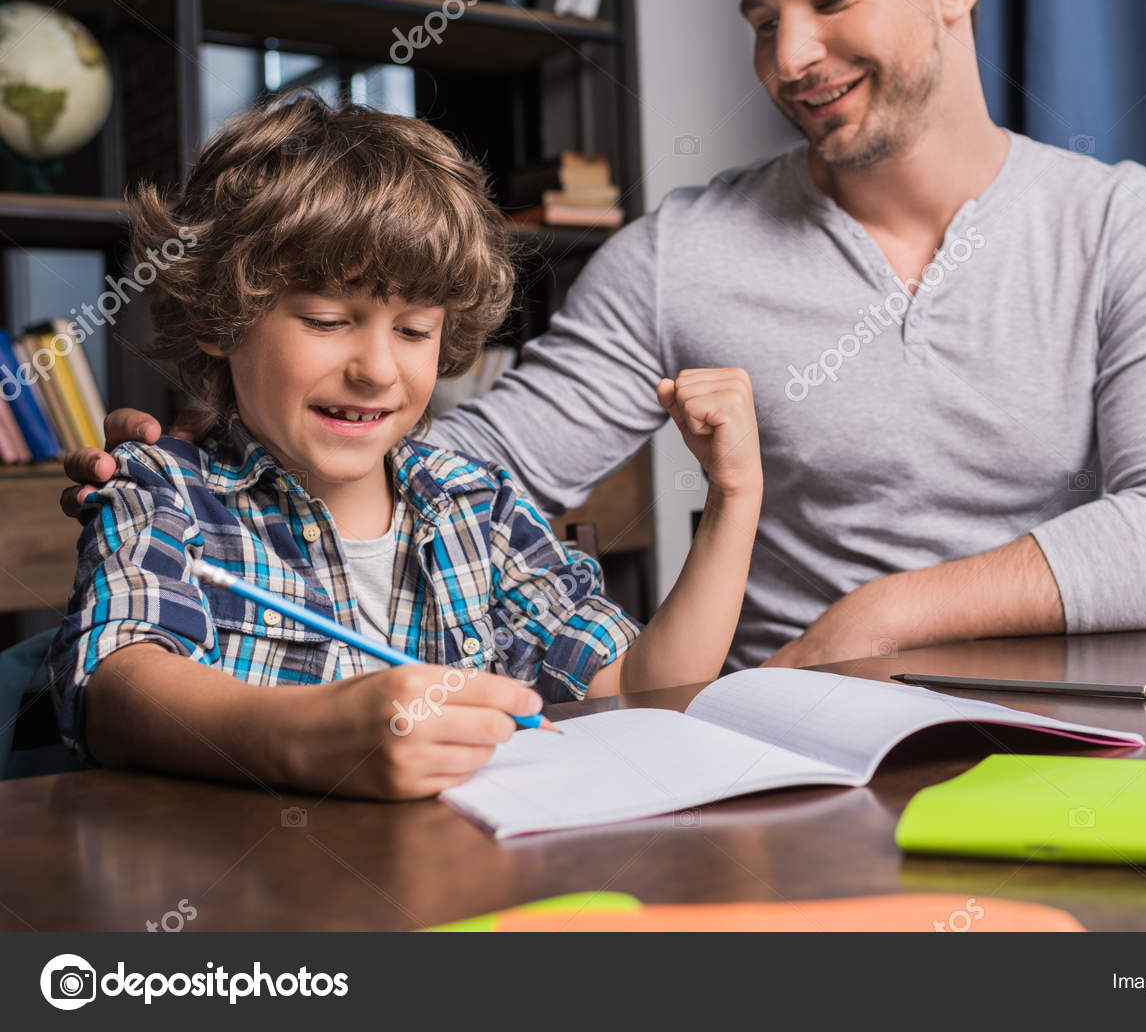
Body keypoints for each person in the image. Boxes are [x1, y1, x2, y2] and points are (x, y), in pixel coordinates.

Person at [65, 0, 1146, 673]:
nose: (790, 56)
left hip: (1060, 732)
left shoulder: (1127, 229)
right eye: (761, 18)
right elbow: (463, 460)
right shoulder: (680, 254)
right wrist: (211, 460)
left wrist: (886, 611)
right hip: (783, 751)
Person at [49, 94, 762, 799]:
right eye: (328, 320)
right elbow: (114, 682)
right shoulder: (163, 491)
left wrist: (735, 499)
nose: (377, 369)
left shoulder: (477, 504)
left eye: (415, 331)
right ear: (217, 317)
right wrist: (307, 737)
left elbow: (641, 691)